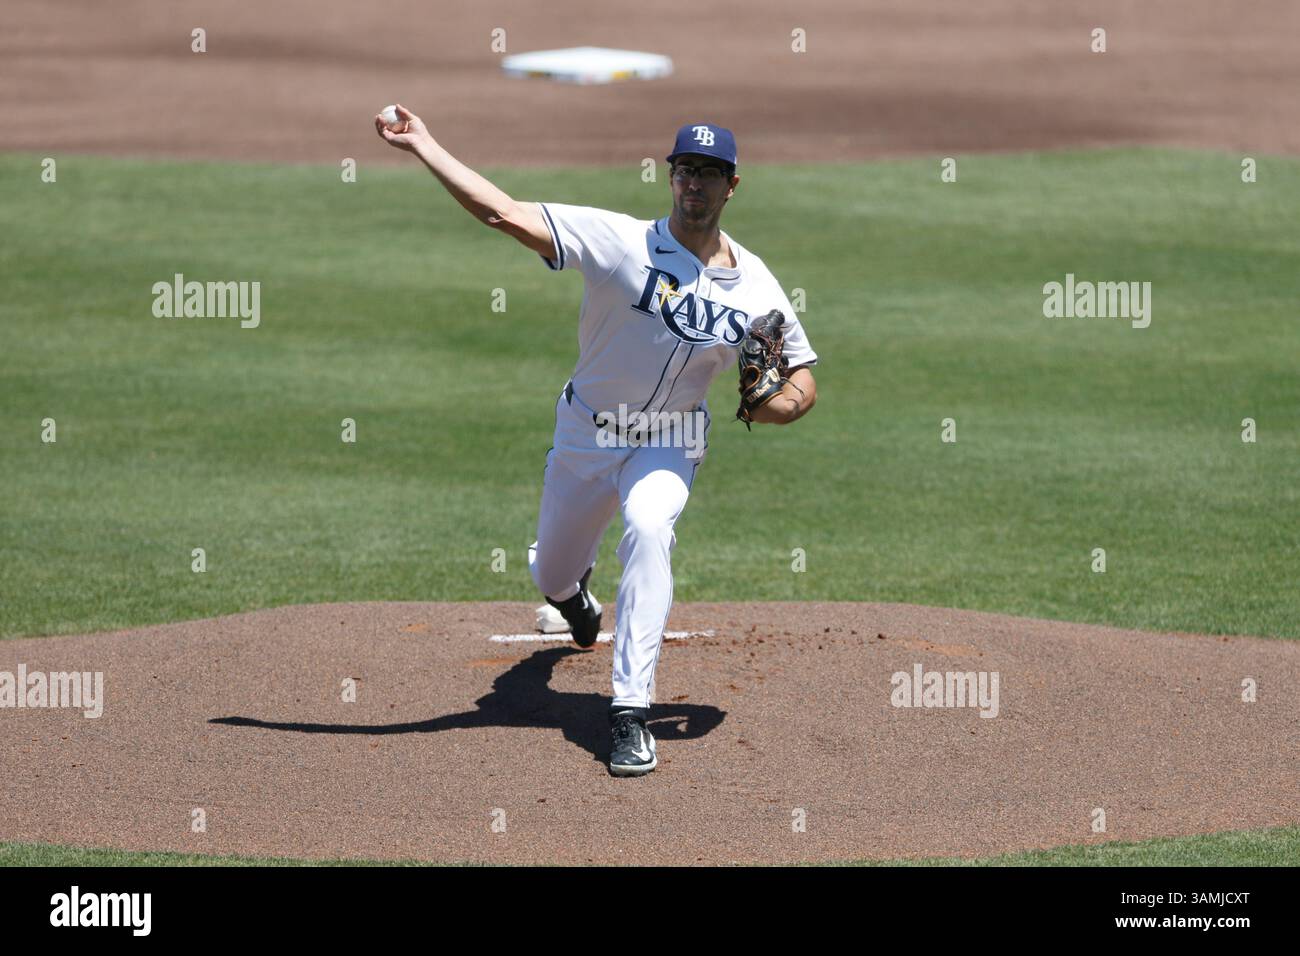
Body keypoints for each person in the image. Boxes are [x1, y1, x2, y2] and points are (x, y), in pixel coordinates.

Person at [376, 109, 819, 776]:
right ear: (671, 177)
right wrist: (423, 143)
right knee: (551, 571)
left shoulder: (756, 286)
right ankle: (572, 599)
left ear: (733, 185)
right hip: (585, 434)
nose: (694, 183)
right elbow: (502, 213)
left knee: (647, 528)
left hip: (670, 440)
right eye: (685, 170)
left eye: (710, 173)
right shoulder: (619, 242)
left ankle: (629, 714)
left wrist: (768, 405)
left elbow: (802, 385)